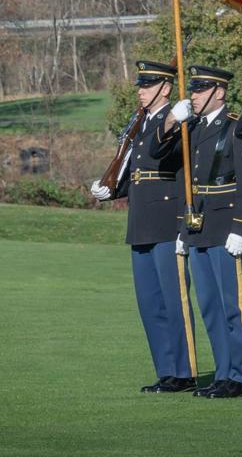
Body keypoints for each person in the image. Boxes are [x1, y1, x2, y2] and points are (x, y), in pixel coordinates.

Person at [158, 65, 242, 398]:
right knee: (210, 306)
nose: (194, 95)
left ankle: (240, 377)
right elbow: (161, 157)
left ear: (219, 92)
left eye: (202, 89)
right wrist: (171, 122)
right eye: (193, 89)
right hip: (197, 228)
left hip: (226, 227)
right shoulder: (191, 128)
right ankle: (222, 373)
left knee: (233, 305)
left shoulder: (238, 127)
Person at [90, 60, 197, 394]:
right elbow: (137, 172)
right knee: (150, 304)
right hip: (140, 222)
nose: (141, 91)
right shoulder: (140, 122)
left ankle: (185, 371)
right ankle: (167, 371)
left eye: (148, 85)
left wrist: (173, 120)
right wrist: (111, 189)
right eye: (141, 85)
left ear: (165, 88)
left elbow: (170, 161)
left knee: (174, 302)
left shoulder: (179, 121)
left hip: (167, 222)